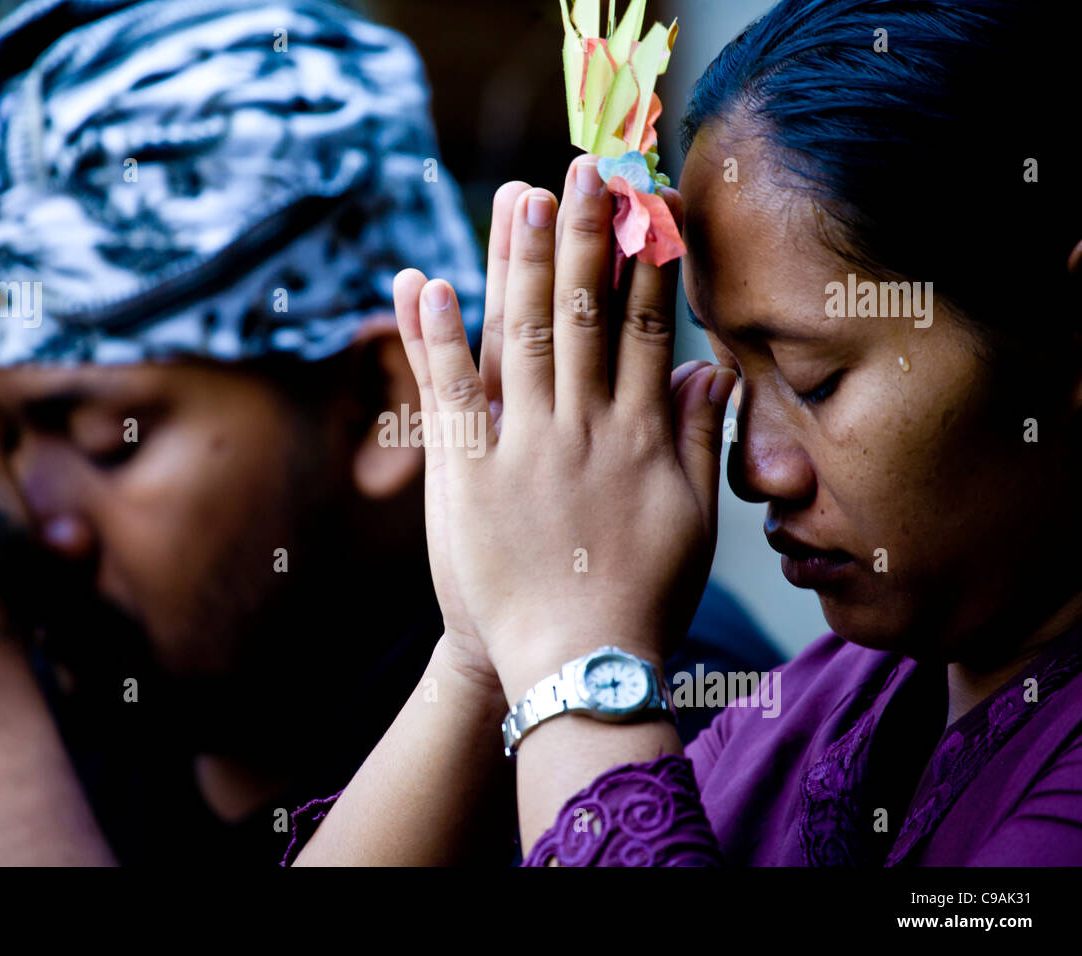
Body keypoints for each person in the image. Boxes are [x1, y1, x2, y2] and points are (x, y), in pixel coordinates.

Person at [0, 0, 776, 866]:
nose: (41, 520)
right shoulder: (71, 670)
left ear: (378, 400)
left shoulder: (633, 704)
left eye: (102, 439)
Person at [288, 0, 1082, 866]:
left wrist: (580, 661)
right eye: (731, 373)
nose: (755, 471)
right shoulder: (810, 712)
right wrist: (486, 647)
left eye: (815, 382)